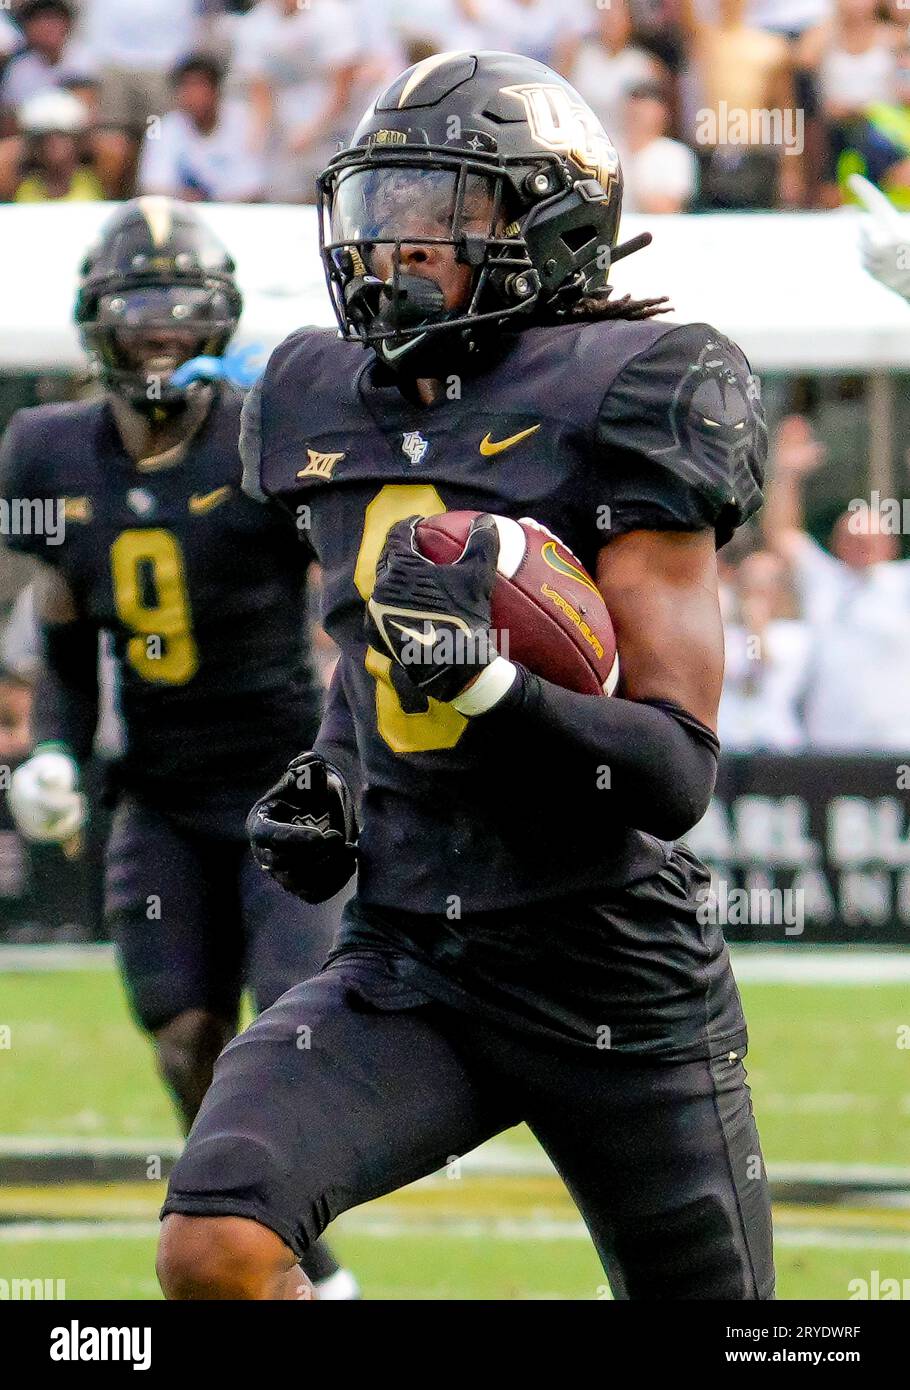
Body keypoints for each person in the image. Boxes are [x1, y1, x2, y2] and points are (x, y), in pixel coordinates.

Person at [156, 52, 773, 1302]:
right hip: (408, 954)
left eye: (442, 213)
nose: (393, 248)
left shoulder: (633, 390)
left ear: (549, 227)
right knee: (215, 1245)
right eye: (380, 211)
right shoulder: (319, 394)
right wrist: (328, 779)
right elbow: (367, 663)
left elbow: (667, 770)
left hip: (607, 957)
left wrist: (496, 692)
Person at [0, 196, 357, 1299]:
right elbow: (57, 624)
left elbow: (355, 578)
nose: (158, 333)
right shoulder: (46, 448)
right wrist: (54, 744)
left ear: (220, 321)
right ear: (95, 324)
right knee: (181, 1034)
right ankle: (292, 1258)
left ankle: (292, 1246)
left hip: (284, 783)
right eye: (137, 311)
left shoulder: (265, 435)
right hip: (155, 787)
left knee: (287, 1024)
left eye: (179, 311)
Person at [762, 411, 910, 749]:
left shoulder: (902, 583)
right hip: (829, 748)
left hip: (898, 748)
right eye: (851, 539)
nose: (860, 548)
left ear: (889, 545)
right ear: (836, 544)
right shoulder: (824, 579)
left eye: (868, 541)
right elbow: (781, 534)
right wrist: (787, 475)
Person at [137, 54, 265, 203]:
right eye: (187, 87)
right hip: (183, 215)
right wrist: (185, 198)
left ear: (216, 90)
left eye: (201, 86)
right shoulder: (164, 127)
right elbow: (153, 187)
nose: (194, 95)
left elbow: (253, 189)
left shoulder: (245, 122)